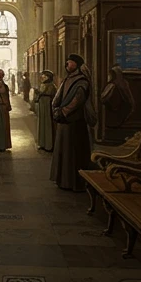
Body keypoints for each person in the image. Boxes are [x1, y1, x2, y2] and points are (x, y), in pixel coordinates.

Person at [49, 54, 94, 191]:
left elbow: (78, 100)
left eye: (70, 62)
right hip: (65, 121)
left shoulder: (81, 81)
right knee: (64, 150)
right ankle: (63, 180)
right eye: (67, 62)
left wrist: (64, 111)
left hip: (74, 121)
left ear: (76, 64)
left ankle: (75, 182)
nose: (67, 64)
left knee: (74, 152)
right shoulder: (68, 78)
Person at [101, 64, 135, 130]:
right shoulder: (124, 83)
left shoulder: (112, 85)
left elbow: (103, 98)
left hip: (115, 112)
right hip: (123, 110)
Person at [32, 70, 57, 151]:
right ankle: (42, 143)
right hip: (42, 107)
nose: (42, 78)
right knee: (42, 123)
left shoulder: (51, 86)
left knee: (48, 124)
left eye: (44, 76)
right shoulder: (42, 85)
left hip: (48, 107)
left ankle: (48, 145)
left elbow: (50, 94)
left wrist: (40, 93)